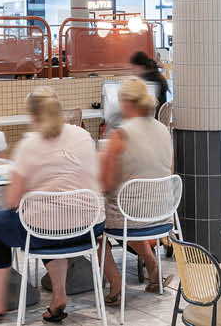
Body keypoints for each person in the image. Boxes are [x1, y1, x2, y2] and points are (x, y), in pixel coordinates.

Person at [0, 92, 103, 321]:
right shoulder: (82, 135)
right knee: (46, 223)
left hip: (50, 230)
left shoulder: (30, 145)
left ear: (33, 116)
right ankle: (58, 296)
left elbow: (12, 201)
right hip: (90, 228)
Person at [98, 77, 173, 304]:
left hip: (130, 216)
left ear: (127, 103)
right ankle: (152, 267)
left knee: (94, 228)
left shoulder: (120, 134)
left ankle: (115, 281)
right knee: (131, 212)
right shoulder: (163, 129)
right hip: (162, 214)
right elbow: (169, 171)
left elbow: (106, 184)